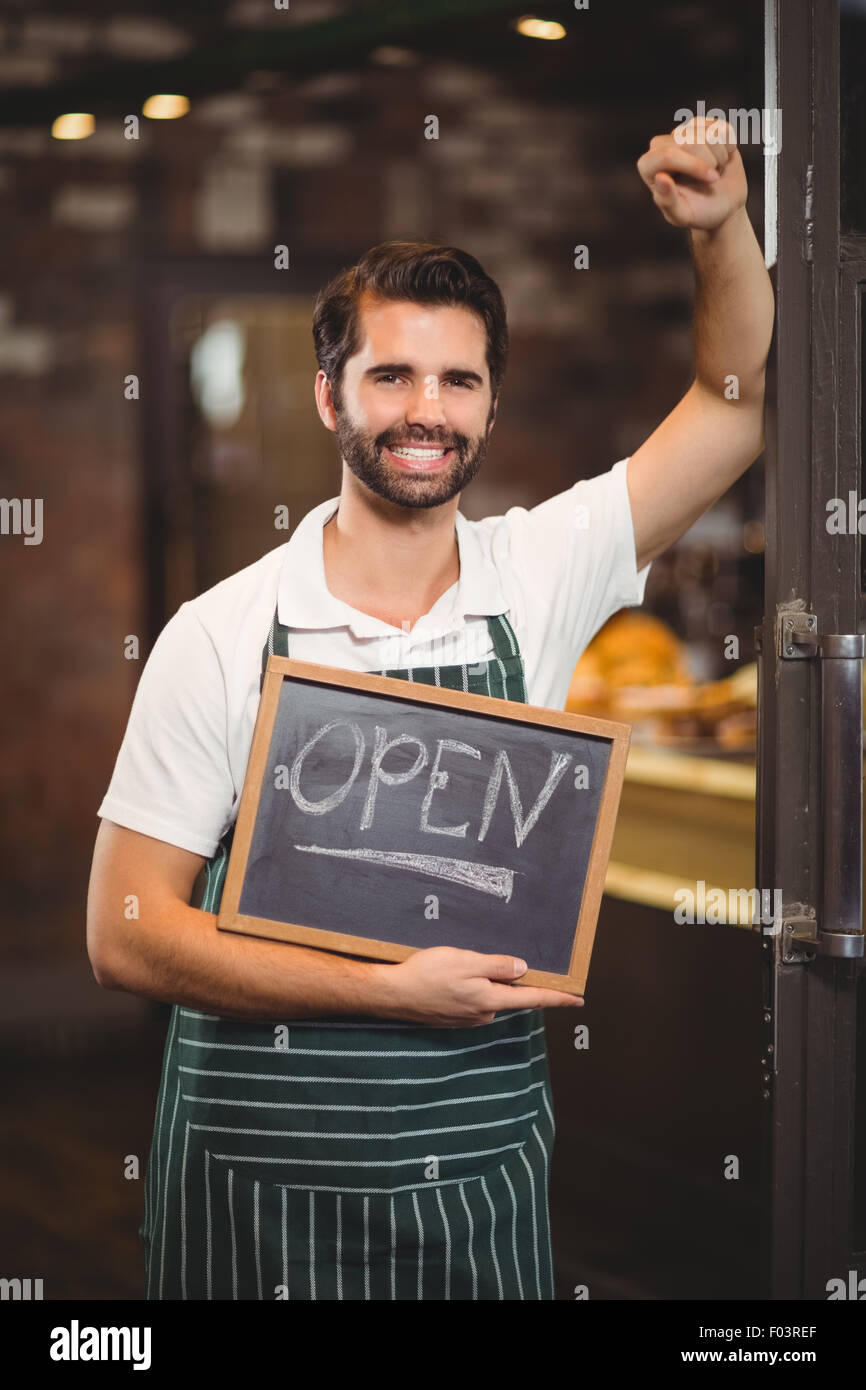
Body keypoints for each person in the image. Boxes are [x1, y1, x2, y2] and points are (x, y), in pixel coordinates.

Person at [87, 117, 774, 1300]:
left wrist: (720, 229)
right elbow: (125, 928)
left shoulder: (538, 574)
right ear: (328, 397)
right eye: (391, 375)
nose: (427, 409)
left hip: (473, 1187)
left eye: (459, 379)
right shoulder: (220, 632)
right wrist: (385, 990)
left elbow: (734, 402)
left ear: (491, 407)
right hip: (253, 1201)